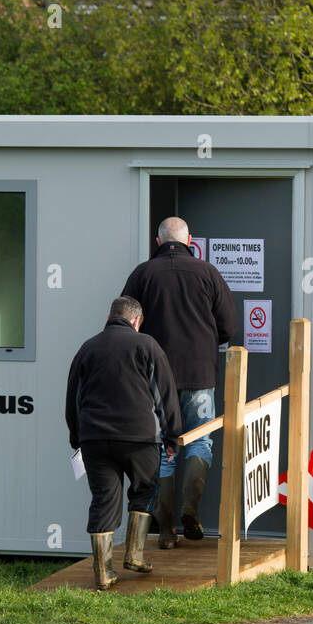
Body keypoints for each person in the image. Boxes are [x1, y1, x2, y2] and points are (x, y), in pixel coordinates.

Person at [121, 216, 236, 548]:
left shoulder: (142, 274)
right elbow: (229, 325)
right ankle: (190, 508)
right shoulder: (207, 273)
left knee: (162, 447)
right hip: (200, 374)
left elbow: (125, 323)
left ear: (159, 242)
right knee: (201, 441)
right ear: (189, 241)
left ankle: (167, 530)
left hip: (155, 378)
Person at [66, 296, 181, 590]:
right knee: (145, 489)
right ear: (136, 321)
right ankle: (135, 555)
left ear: (109, 318)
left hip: (94, 438)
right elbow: (164, 396)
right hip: (138, 438)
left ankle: (102, 572)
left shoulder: (87, 349)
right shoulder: (147, 346)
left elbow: (73, 399)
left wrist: (77, 436)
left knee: (104, 499)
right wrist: (171, 435)